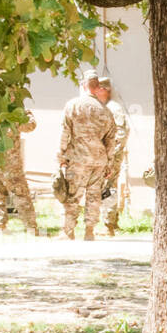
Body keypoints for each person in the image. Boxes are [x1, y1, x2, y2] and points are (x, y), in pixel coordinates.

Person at [57, 69, 116, 240]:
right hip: (99, 160)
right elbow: (111, 140)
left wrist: (60, 156)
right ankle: (89, 231)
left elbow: (64, 133)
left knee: (72, 194)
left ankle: (68, 231)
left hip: (78, 158)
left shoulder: (73, 105)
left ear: (83, 85)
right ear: (97, 87)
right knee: (94, 195)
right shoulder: (106, 111)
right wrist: (109, 163)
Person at [0, 110, 39, 235]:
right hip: (11, 165)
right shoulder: (12, 112)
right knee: (20, 195)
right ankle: (30, 227)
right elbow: (31, 125)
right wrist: (24, 114)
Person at [94, 77, 129, 236]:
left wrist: (110, 156)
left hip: (111, 157)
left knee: (107, 188)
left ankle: (108, 226)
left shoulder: (113, 108)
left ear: (104, 90)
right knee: (108, 187)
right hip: (105, 155)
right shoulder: (102, 107)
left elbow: (121, 134)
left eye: (97, 88)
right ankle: (112, 223)